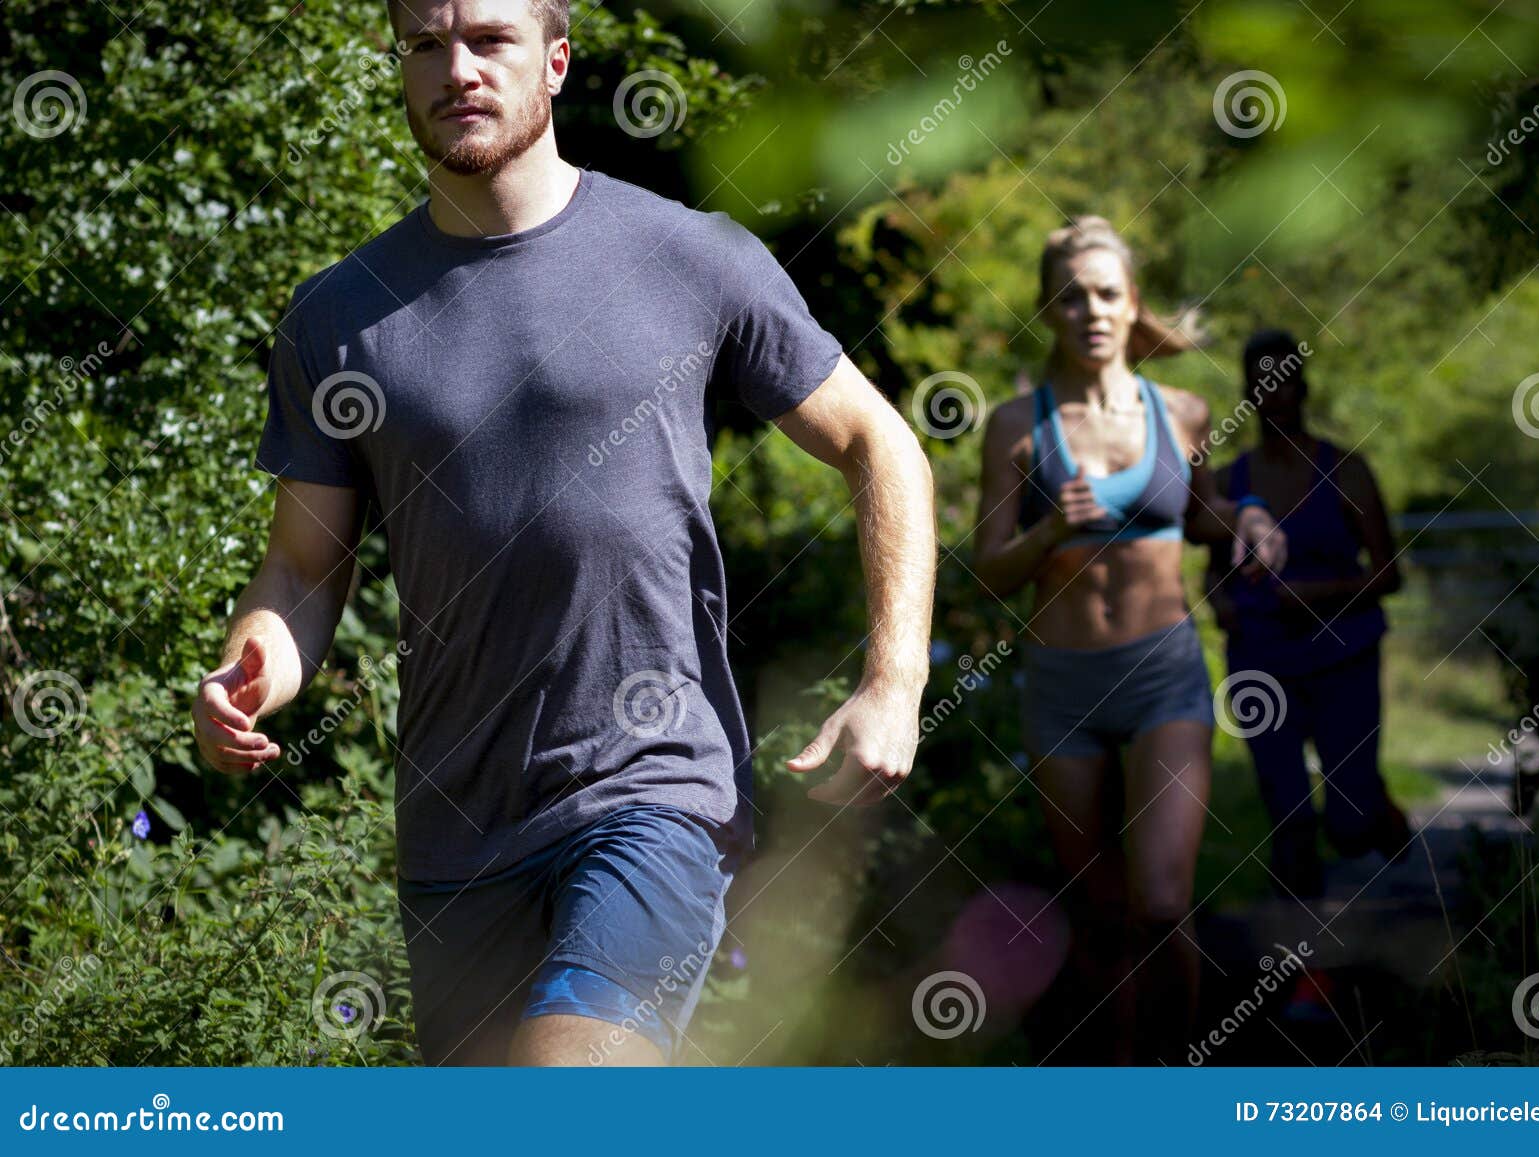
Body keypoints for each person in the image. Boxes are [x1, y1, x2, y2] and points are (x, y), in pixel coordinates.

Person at [189, 0, 935, 1067]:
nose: (457, 70)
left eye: (489, 39)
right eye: (425, 47)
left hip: (652, 789)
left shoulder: (688, 256)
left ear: (556, 61)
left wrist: (895, 676)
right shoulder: (336, 318)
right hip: (458, 827)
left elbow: (879, 440)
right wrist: (250, 666)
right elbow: (306, 568)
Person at [974, 216, 1286, 1064]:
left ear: (1133, 303)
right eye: (1072, 296)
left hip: (1163, 678)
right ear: (1049, 308)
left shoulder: (1182, 411)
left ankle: (1175, 1082)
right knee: (1101, 913)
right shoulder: (1013, 423)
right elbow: (985, 569)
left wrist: (1249, 514)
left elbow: (1203, 517)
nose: (1092, 311)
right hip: (1063, 687)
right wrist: (1047, 536)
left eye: (1108, 293)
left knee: (1158, 904)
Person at [1205, 329, 1410, 903]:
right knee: (1289, 818)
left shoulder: (1347, 471)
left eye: (1283, 382)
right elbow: (1212, 574)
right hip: (1262, 662)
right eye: (1260, 385)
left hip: (1343, 654)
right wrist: (1222, 606)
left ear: (1303, 388)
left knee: (1349, 828)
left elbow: (1389, 574)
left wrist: (1320, 594)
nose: (1272, 397)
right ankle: (1300, 965)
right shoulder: (1230, 482)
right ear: (1247, 394)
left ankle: (1373, 801)